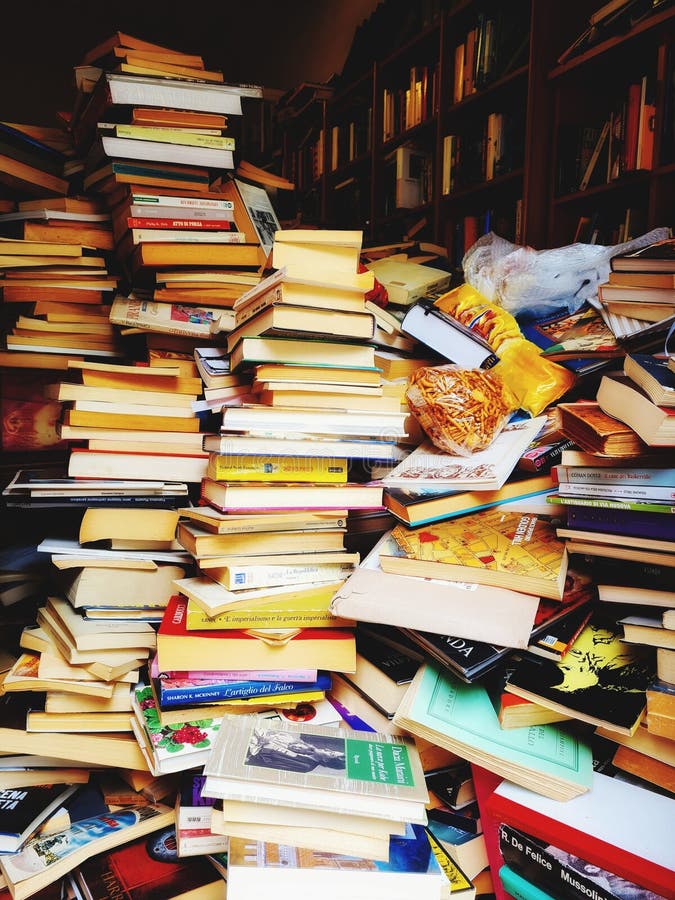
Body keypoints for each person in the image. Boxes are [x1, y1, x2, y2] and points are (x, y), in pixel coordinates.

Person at [246, 730, 346, 773]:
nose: (327, 749)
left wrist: (266, 743)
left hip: (252, 754)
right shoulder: (307, 747)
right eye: (332, 750)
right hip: (259, 742)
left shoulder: (305, 766)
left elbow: (268, 763)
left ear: (326, 760)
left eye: (331, 753)